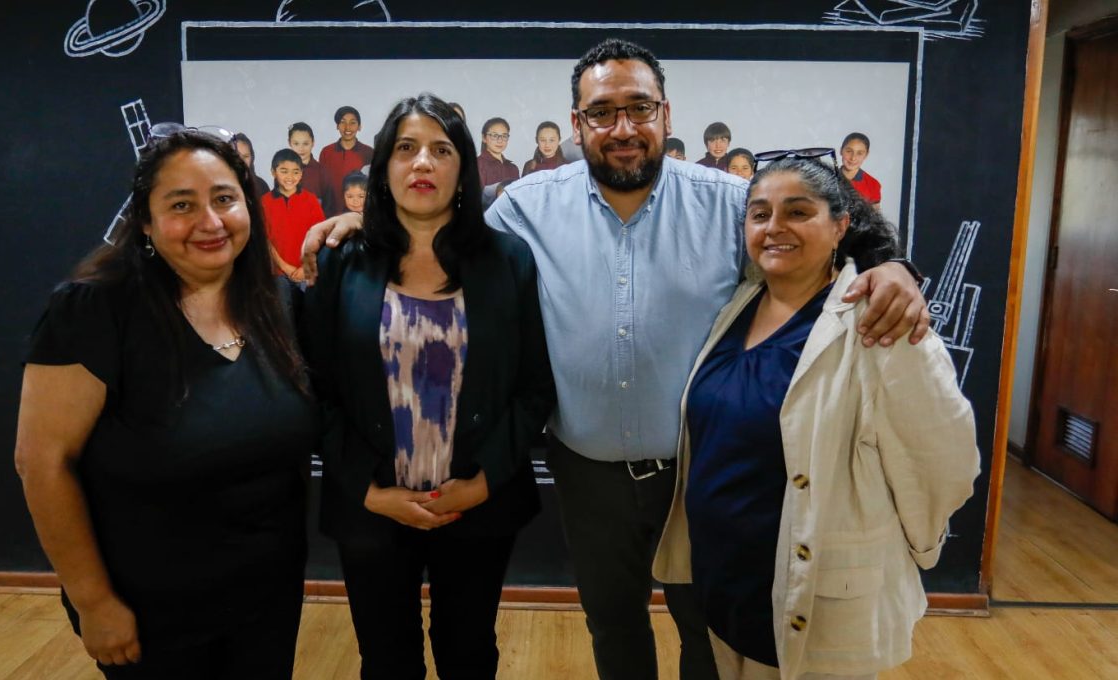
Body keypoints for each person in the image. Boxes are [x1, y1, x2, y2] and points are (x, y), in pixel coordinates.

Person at [301, 39, 929, 680]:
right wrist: (353, 226)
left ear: (667, 113)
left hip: (704, 471)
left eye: (639, 108)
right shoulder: (524, 207)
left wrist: (892, 264)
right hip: (588, 475)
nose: (622, 128)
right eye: (602, 112)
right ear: (577, 124)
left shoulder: (728, 203)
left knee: (706, 634)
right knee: (614, 627)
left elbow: (828, 225)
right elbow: (435, 222)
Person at [653, 154, 978, 680]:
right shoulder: (738, 303)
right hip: (724, 586)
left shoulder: (880, 325)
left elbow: (946, 459)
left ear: (840, 225)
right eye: (759, 214)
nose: (775, 228)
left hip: (815, 596)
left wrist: (905, 538)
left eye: (797, 212)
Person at [15, 126, 318, 679]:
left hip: (267, 599)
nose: (210, 221)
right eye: (182, 205)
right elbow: (42, 463)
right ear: (147, 224)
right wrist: (93, 603)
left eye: (225, 199)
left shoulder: (278, 305)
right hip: (149, 609)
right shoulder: (93, 308)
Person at [302, 94, 555, 680]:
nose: (423, 164)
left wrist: (484, 480)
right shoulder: (342, 261)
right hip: (372, 504)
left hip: (476, 503)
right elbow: (313, 386)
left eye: (441, 151)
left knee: (468, 653)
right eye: (406, 149)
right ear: (384, 166)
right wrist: (368, 491)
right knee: (386, 659)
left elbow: (535, 386)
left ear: (464, 168)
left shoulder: (508, 260)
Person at [263, 148, 326, 282]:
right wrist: (284, 267)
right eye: (284, 171)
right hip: (277, 272)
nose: (290, 177)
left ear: (301, 174)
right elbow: (265, 240)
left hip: (307, 270)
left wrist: (305, 267)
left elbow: (319, 236)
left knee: (308, 302)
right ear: (273, 172)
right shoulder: (264, 202)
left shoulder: (311, 200)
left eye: (295, 171)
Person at [319, 106, 374, 215]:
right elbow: (323, 186)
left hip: (359, 214)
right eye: (342, 122)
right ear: (337, 126)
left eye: (352, 123)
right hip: (331, 213)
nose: (347, 127)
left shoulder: (369, 153)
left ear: (359, 126)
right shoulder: (327, 152)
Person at [288, 121, 332, 208]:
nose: (301, 148)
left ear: (313, 143)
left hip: (317, 220)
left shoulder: (322, 172)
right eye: (296, 144)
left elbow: (329, 206)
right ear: (290, 143)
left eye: (305, 143)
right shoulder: (284, 172)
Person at [840, 132, 881, 210]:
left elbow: (875, 219)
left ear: (866, 155)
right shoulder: (827, 178)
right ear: (841, 150)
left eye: (859, 153)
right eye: (849, 151)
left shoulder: (873, 185)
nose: (853, 158)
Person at [476, 116, 519, 189]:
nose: (500, 140)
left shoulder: (513, 168)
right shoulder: (477, 165)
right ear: (484, 138)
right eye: (495, 135)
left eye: (504, 136)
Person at [232, 131, 270, 197]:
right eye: (237, 156)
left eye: (246, 156)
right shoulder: (219, 184)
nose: (241, 161)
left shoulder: (261, 185)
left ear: (252, 158)